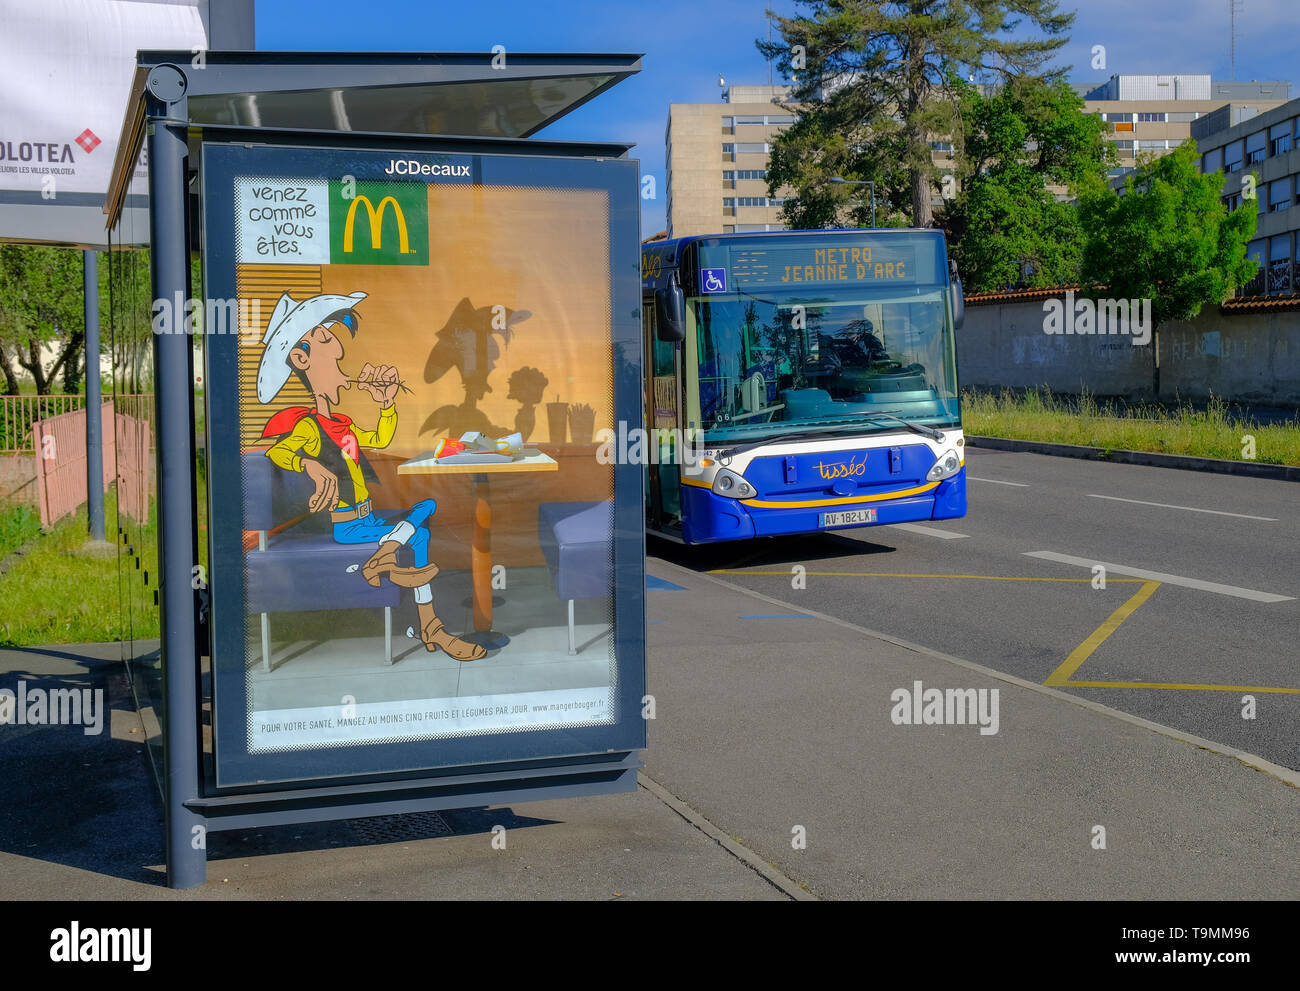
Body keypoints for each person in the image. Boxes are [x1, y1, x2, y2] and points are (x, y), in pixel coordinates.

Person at [256, 290, 485, 662]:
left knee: (426, 506)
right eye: (328, 343)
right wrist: (310, 465)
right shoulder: (310, 427)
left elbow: (378, 439)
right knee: (422, 531)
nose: (341, 354)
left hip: (368, 519)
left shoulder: (342, 424)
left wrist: (386, 405)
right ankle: (432, 626)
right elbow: (278, 451)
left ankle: (389, 555)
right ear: (300, 358)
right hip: (348, 526)